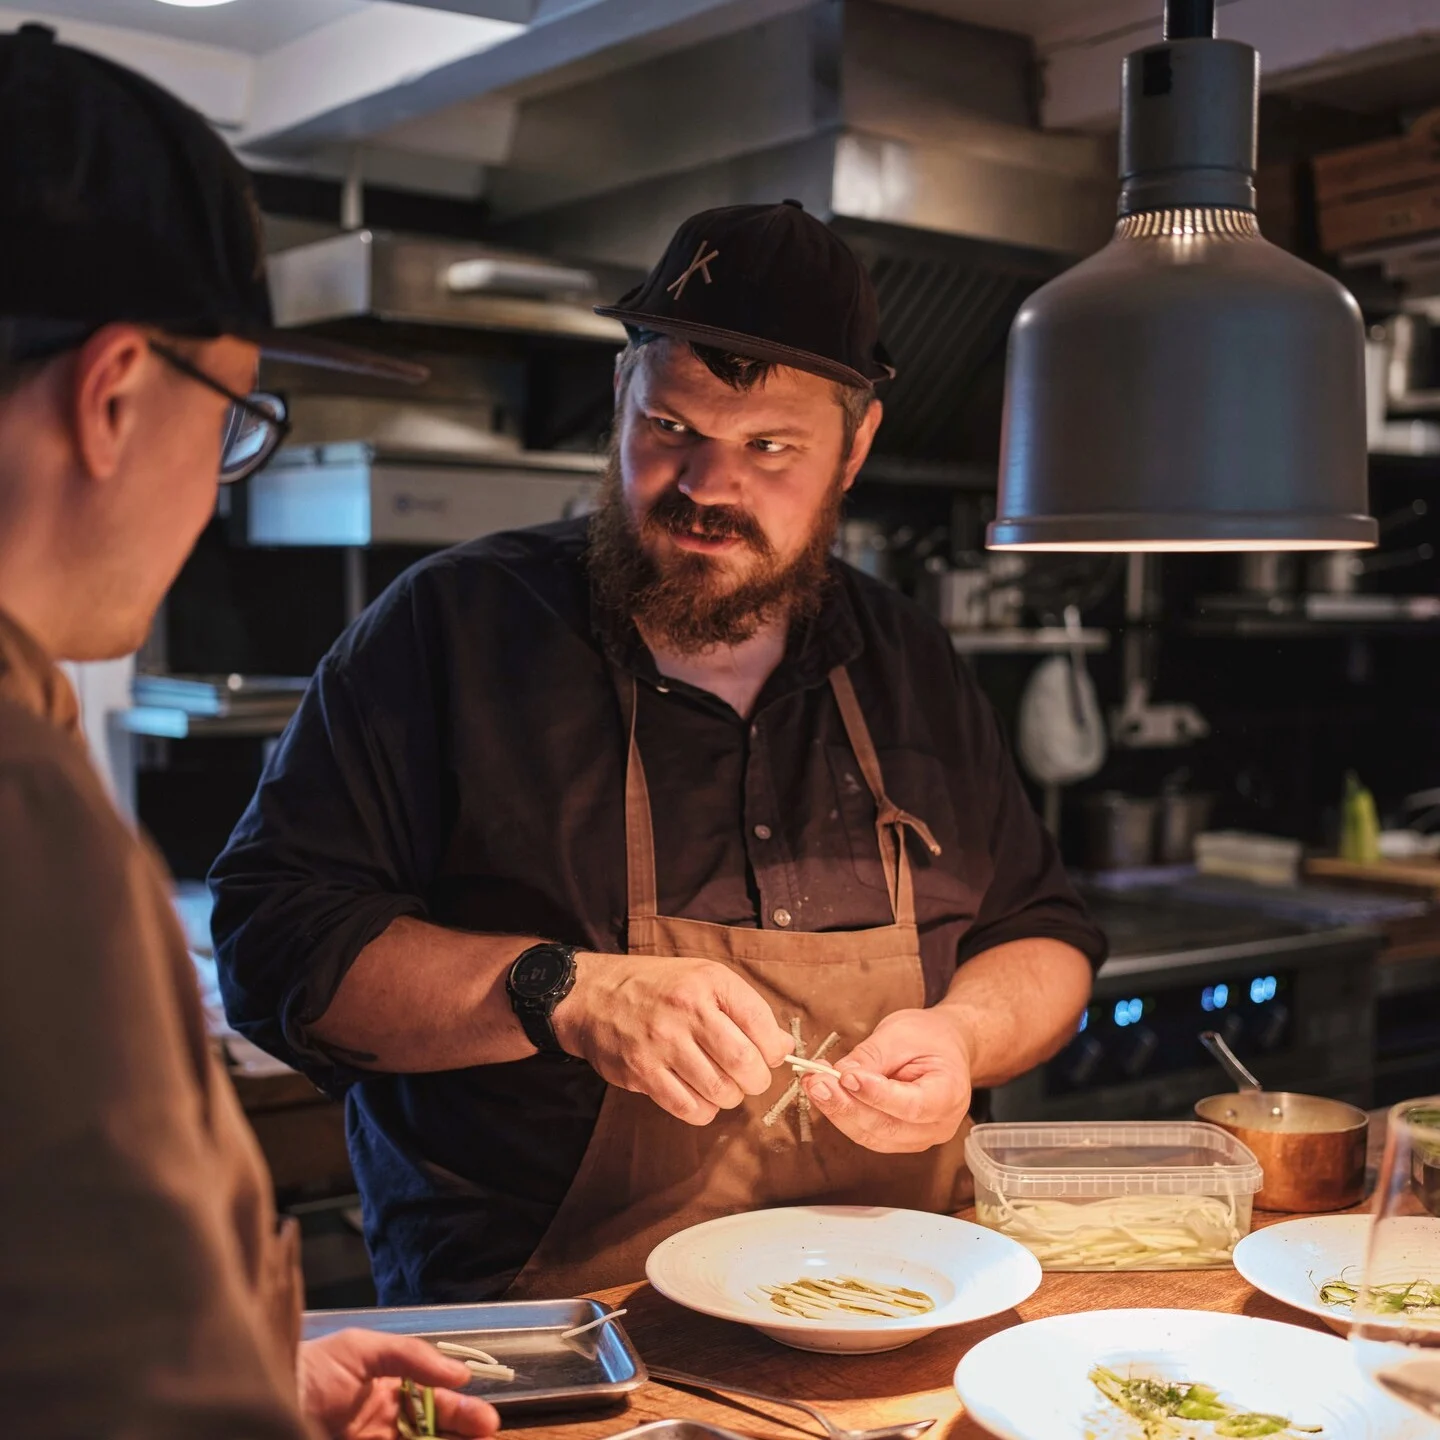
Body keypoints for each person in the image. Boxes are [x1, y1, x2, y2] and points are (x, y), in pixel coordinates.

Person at [211, 200, 1107, 1306]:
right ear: (620, 396)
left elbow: (1043, 936)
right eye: (671, 427)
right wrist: (559, 991)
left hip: (896, 1303)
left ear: (855, 448)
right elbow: (274, 947)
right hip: (558, 1330)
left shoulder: (906, 659)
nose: (708, 488)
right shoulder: (449, 631)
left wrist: (963, 1036)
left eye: (769, 448)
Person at [0, 24, 501, 1438]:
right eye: (231, 419)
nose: (216, 486)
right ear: (112, 395)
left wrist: (258, 1374)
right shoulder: (23, 812)